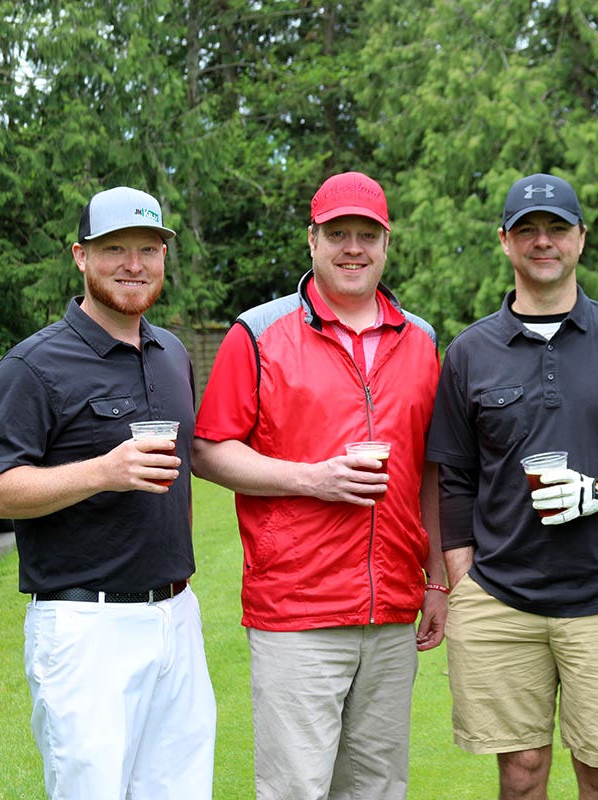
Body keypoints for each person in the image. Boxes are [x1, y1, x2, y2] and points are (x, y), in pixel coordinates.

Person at [426, 173, 598, 800]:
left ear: (580, 237)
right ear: (505, 242)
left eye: (556, 229)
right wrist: (463, 577)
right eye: (528, 230)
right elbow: (455, 476)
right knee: (520, 774)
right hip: (501, 596)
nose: (542, 242)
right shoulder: (471, 350)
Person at [191, 171, 446, 800]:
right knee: (297, 788)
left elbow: (430, 471)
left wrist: (436, 578)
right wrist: (314, 479)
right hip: (297, 610)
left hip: (391, 609)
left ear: (387, 244)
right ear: (312, 240)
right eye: (338, 234)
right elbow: (207, 450)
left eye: (367, 234)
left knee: (379, 787)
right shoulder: (258, 333)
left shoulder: (421, 340)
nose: (352, 248)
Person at [0, 186, 216, 799]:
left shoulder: (172, 353)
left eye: (148, 248)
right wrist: (103, 471)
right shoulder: (32, 366)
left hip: (176, 616)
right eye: (115, 249)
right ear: (81, 256)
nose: (134, 264)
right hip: (85, 626)